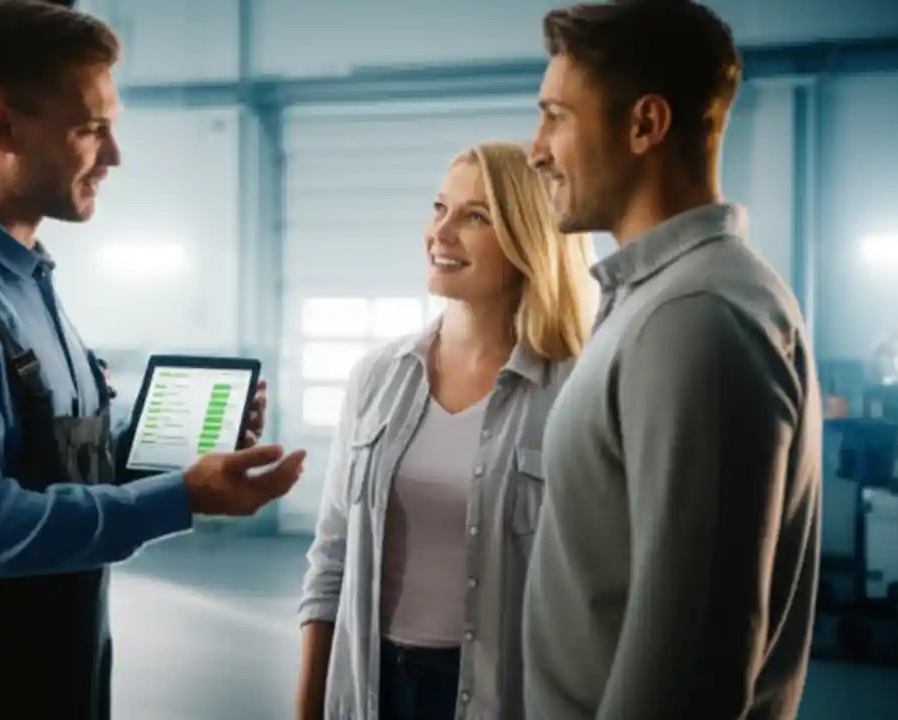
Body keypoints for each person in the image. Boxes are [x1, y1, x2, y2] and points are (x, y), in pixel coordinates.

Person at [0, 2, 306, 718]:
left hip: (63, 668)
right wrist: (181, 497)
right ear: (3, 126)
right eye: (90, 130)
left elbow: (51, 462)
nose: (114, 157)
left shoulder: (28, 281)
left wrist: (170, 451)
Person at [523, 2, 823, 719]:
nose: (536, 148)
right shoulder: (653, 301)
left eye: (557, 116)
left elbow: (690, 666)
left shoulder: (695, 317)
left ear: (645, 125)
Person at [295, 141, 598, 720]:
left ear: (528, 237)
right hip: (370, 687)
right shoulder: (377, 377)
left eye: (475, 216)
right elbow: (331, 559)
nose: (442, 231)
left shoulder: (576, 391)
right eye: (440, 207)